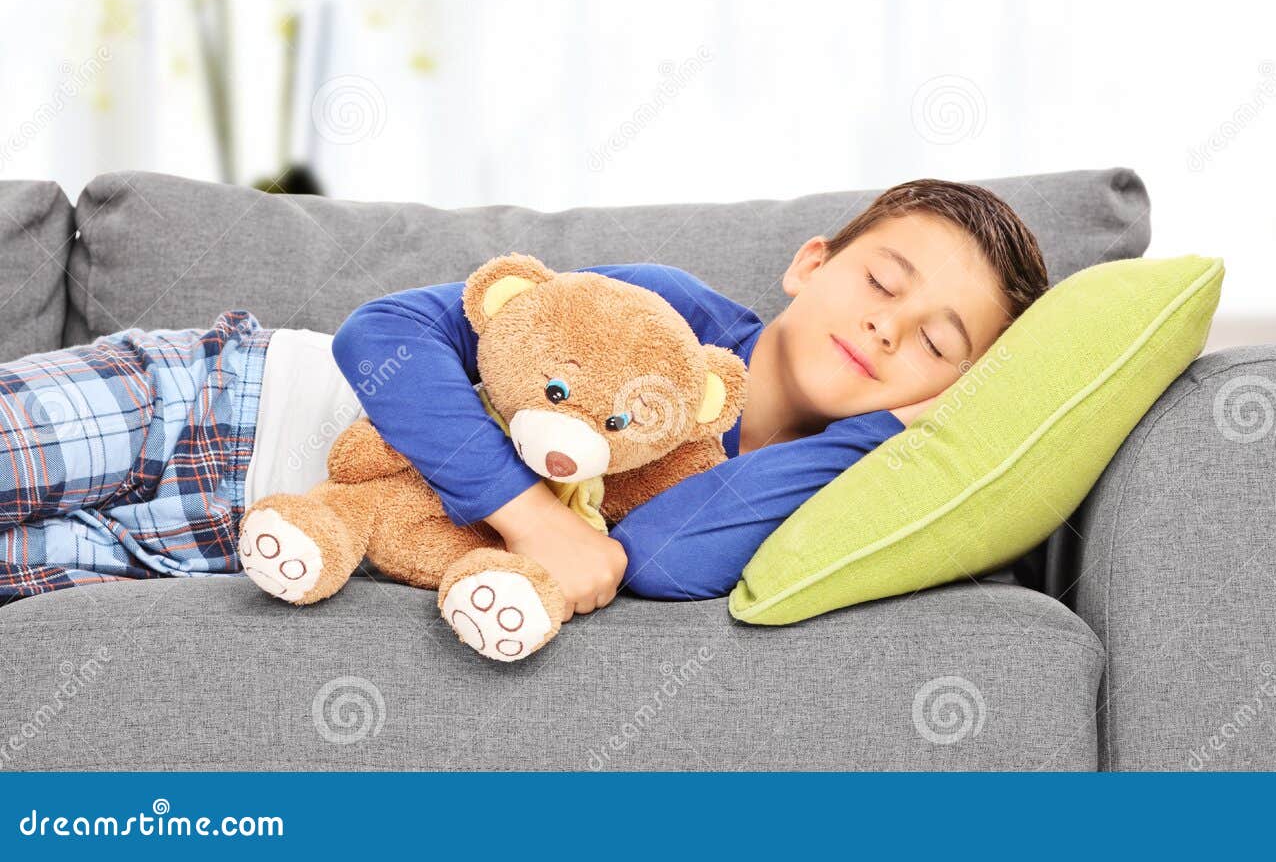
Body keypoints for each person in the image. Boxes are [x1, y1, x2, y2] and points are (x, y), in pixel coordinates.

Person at [0, 178, 1047, 613]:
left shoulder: (808, 490)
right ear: (812, 262)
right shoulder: (662, 317)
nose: (888, 329)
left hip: (234, 547)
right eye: (882, 282)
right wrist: (529, 515)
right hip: (218, 398)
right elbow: (383, 333)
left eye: (936, 342)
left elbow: (655, 556)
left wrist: (879, 435)